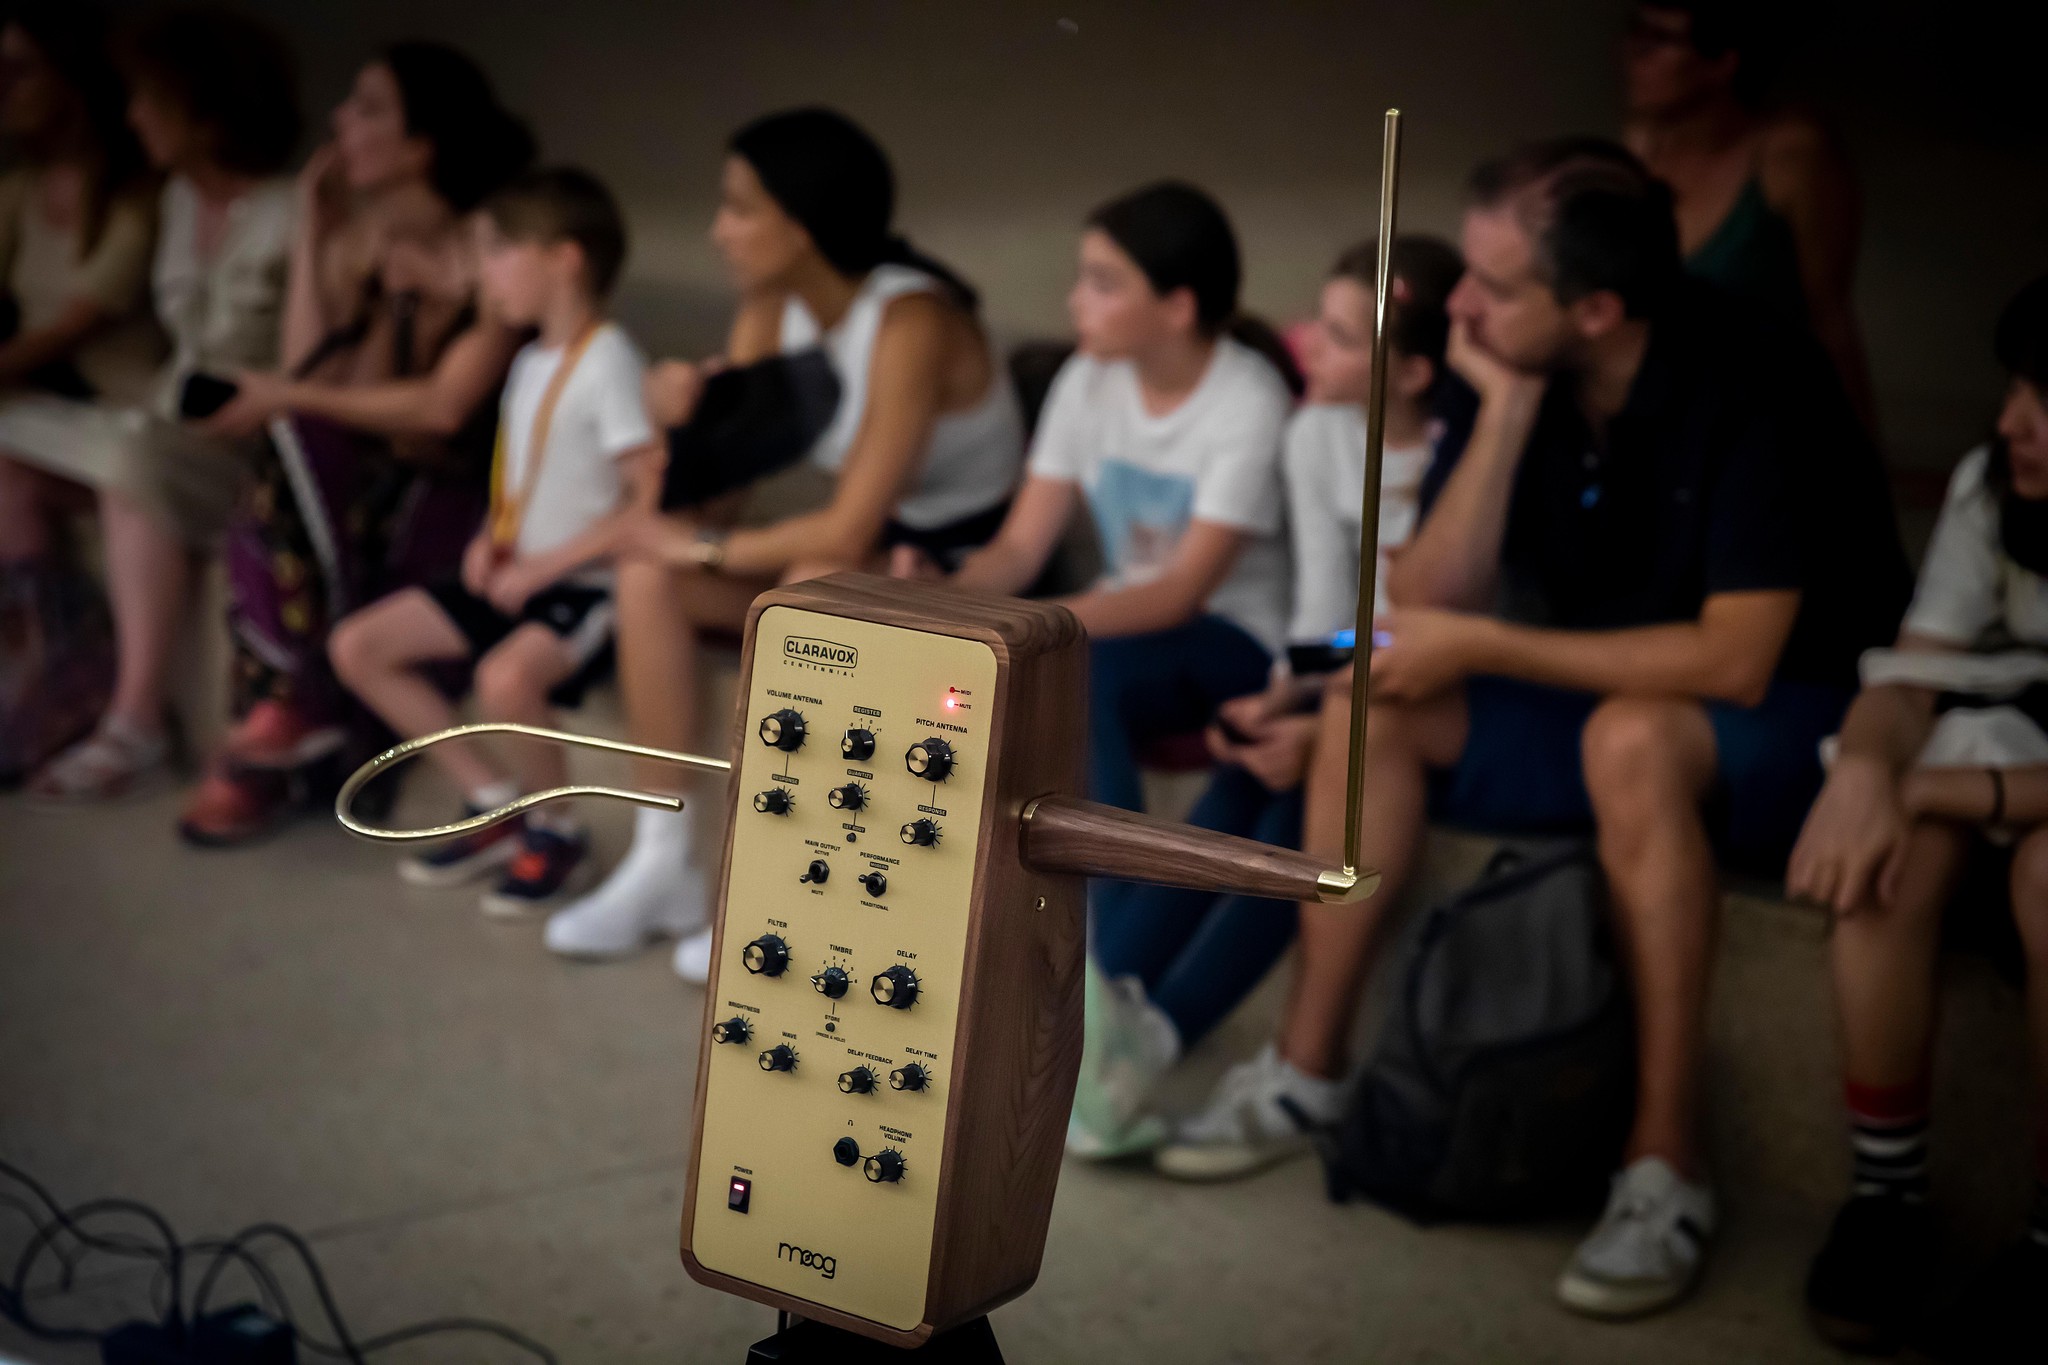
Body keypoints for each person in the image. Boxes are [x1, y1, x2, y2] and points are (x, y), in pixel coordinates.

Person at [1154, 139, 1909, 1322]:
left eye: (1494, 288)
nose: (1454, 303)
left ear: (1597, 308)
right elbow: (1430, 602)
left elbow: (1735, 657)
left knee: (1631, 738)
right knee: (1370, 703)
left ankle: (1662, 1167)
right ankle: (1303, 1076)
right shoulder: (1506, 365)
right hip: (1605, 699)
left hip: (1797, 724)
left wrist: (1493, 651)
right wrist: (1502, 407)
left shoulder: (1753, 374)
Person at [537, 107, 1023, 969]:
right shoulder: (773, 305)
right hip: (870, 555)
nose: (718, 231)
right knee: (650, 573)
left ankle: (777, 891)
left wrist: (703, 550)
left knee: (810, 576)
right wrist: (682, 427)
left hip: (968, 564)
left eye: (739, 208)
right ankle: (662, 864)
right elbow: (707, 513)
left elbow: (846, 524)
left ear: (799, 227)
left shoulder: (911, 320)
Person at [1069, 233, 1467, 1160]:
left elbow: (1444, 630)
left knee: (1305, 784)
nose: (1304, 346)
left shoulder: (1462, 457)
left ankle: (1129, 1014)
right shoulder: (1318, 432)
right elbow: (1327, 619)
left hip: (1441, 696)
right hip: (1348, 673)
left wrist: (1320, 707)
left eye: (1334, 334)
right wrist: (1289, 700)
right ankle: (1125, 1020)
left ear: (1410, 372)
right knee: (1252, 767)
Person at [173, 42, 535, 845]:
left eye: (368, 108)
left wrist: (281, 395)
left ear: (421, 146)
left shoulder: (491, 248)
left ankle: (284, 708)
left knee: (285, 446)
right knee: (287, 449)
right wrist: (313, 233)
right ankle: (290, 705)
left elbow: (444, 410)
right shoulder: (362, 238)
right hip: (360, 486)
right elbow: (310, 364)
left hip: (454, 501)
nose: (339, 121)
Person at [1786, 276, 2048, 1361]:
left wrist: (1927, 785)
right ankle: (1884, 1195)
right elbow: (1913, 672)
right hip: (2017, 741)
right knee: (1886, 849)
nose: (2007, 419)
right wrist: (1863, 771)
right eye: (2013, 387)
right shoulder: (1994, 486)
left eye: (2046, 396)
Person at [328, 169, 649, 915]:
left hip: (583, 585)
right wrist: (488, 539)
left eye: (498, 252)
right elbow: (525, 476)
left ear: (564, 258)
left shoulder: (611, 362)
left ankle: (558, 829)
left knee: (507, 680)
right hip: (515, 572)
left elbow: (645, 505)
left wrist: (549, 564)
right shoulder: (531, 359)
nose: (482, 274)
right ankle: (496, 803)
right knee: (359, 646)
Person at [10, 6, 299, 802]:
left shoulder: (290, 211)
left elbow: (295, 368)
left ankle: (132, 720)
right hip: (167, 423)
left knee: (132, 459)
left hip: (241, 447)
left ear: (201, 110)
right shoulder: (177, 199)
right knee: (15, 446)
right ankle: (43, 675)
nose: (133, 115)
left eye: (150, 99)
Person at [0, 5, 158, 777]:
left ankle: (65, 673)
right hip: (50, 421)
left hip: (126, 416)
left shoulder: (131, 193)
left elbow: (70, 326)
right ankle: (43, 660)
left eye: (22, 68)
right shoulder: (20, 191)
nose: (5, 87)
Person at [1620, 0, 1876, 430]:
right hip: (1658, 419)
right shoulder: (1641, 144)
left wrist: (1861, 459)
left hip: (1757, 420)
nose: (1633, 54)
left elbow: (1830, 319)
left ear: (1722, 63)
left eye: (1659, 40)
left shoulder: (1791, 155)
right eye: (1634, 31)